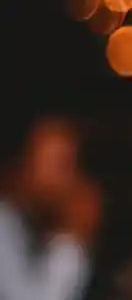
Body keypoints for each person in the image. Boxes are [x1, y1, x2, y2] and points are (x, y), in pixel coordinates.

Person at [0, 117, 100, 300]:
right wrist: (71, 238)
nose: (69, 179)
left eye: (71, 164)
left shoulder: (42, 224)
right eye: (58, 164)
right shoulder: (4, 223)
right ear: (22, 166)